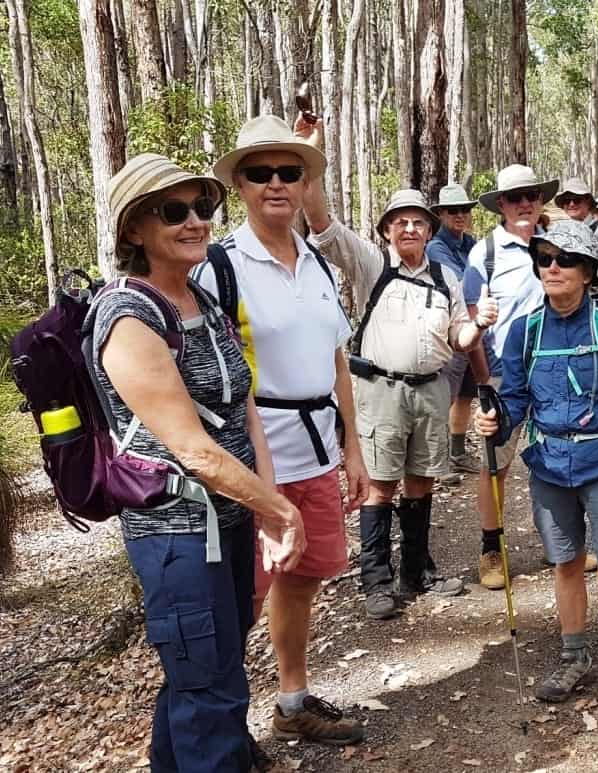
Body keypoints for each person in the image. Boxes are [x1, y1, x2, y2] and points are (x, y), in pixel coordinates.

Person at [99, 153, 305, 771]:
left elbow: (244, 409)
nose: (194, 222)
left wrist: (266, 507)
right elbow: (193, 450)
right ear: (135, 229)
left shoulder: (202, 300)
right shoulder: (129, 317)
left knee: (208, 673)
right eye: (173, 211)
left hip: (231, 521)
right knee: (209, 687)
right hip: (178, 536)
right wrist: (281, 512)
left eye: (202, 207)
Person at [196, 114, 368, 748]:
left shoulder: (318, 263)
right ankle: (221, 725)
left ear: (304, 184)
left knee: (303, 576)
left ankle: (292, 702)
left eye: (289, 172)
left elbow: (336, 359)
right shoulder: (218, 267)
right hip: (250, 460)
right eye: (260, 172)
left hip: (317, 450)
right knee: (241, 593)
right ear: (239, 185)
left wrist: (353, 448)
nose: (276, 183)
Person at [474, 220, 598, 737]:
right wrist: (496, 420)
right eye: (544, 259)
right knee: (565, 564)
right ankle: (574, 656)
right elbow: (515, 398)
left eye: (564, 260)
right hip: (549, 466)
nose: (552, 267)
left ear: (587, 272)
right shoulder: (525, 330)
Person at [298, 121, 497, 620]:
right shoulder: (371, 264)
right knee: (380, 484)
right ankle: (376, 580)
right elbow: (321, 223)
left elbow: (459, 337)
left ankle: (415, 572)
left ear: (430, 231)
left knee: (422, 480)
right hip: (380, 390)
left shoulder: (445, 277)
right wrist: (308, 156)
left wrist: (478, 325)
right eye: (401, 222)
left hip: (431, 390)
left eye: (418, 223)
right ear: (387, 229)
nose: (410, 229)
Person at [464, 164, 598, 588]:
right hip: (504, 376)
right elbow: (472, 325)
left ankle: (560, 541)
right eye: (514, 197)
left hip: (560, 370)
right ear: (501, 205)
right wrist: (484, 382)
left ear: (541, 200)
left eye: (531, 195)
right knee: (496, 465)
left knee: (558, 456)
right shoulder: (484, 253)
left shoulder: (560, 242)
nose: (524, 203)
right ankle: (491, 548)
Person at [426, 184, 483, 482]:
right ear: (441, 215)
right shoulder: (436, 247)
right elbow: (460, 284)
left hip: (473, 331)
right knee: (444, 397)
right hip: (451, 331)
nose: (460, 215)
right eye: (452, 211)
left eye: (464, 210)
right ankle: (435, 460)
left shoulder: (470, 243)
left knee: (465, 395)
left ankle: (457, 453)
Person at [554, 177, 598, 295]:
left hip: (594, 299)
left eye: (577, 200)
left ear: (588, 203)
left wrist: (586, 290)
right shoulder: (570, 231)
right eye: (566, 201)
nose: (571, 204)